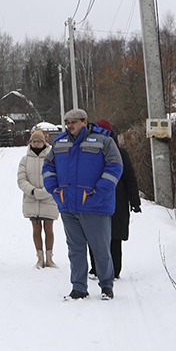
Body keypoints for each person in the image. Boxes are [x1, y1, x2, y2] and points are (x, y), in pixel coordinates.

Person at [42, 108, 122, 300]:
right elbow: (48, 166)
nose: (70, 126)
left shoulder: (104, 141)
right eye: (67, 122)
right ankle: (78, 288)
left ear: (85, 122)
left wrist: (99, 193)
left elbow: (115, 166)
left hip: (95, 206)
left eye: (74, 122)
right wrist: (55, 190)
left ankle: (106, 287)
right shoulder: (59, 143)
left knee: (101, 249)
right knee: (75, 249)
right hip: (68, 206)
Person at [88, 122, 142, 279]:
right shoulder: (93, 152)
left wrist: (135, 201)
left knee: (107, 235)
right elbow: (130, 179)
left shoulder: (117, 153)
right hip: (104, 198)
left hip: (112, 199)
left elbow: (129, 178)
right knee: (101, 235)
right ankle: (103, 269)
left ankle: (109, 269)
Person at [16, 128, 59, 269]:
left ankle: (49, 258)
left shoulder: (52, 158)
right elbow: (21, 179)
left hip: (48, 198)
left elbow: (57, 177)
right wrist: (33, 191)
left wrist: (46, 191)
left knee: (49, 228)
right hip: (31, 198)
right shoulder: (25, 159)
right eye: (34, 141)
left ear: (44, 142)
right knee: (36, 229)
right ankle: (39, 258)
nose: (36, 144)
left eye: (39, 141)